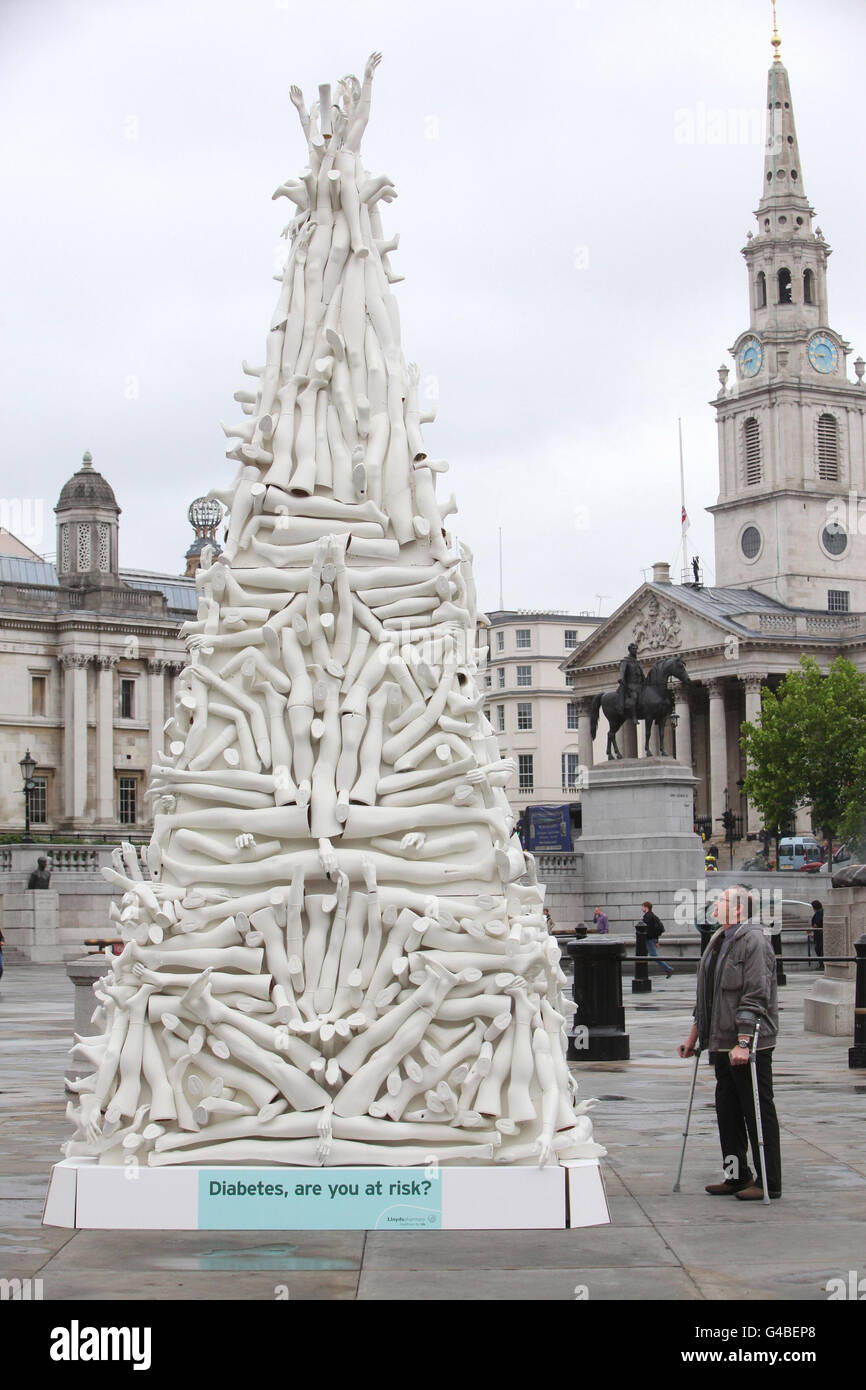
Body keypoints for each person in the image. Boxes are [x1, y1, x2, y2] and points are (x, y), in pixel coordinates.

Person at [678, 885, 781, 1202]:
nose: (714, 904)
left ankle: (769, 1182)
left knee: (756, 1111)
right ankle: (737, 1175)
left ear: (738, 909)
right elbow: (707, 995)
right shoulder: (718, 939)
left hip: (749, 1043)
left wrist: (744, 1041)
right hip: (720, 1041)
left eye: (721, 900)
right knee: (728, 1112)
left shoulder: (754, 941)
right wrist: (694, 1036)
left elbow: (755, 994)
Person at [640, 901, 673, 978]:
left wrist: (651, 940)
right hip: (651, 939)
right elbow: (656, 929)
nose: (641, 908)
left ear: (646, 907)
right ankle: (642, 973)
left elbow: (649, 930)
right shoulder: (653, 916)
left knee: (654, 955)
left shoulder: (647, 917)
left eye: (642, 906)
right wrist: (656, 940)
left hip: (649, 940)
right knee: (642, 955)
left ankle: (668, 969)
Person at [809, 899, 824, 972]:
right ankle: (822, 964)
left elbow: (816, 924)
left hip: (819, 935)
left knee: (819, 949)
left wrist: (811, 931)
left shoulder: (818, 913)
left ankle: (822, 964)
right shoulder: (822, 911)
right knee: (820, 949)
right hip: (820, 934)